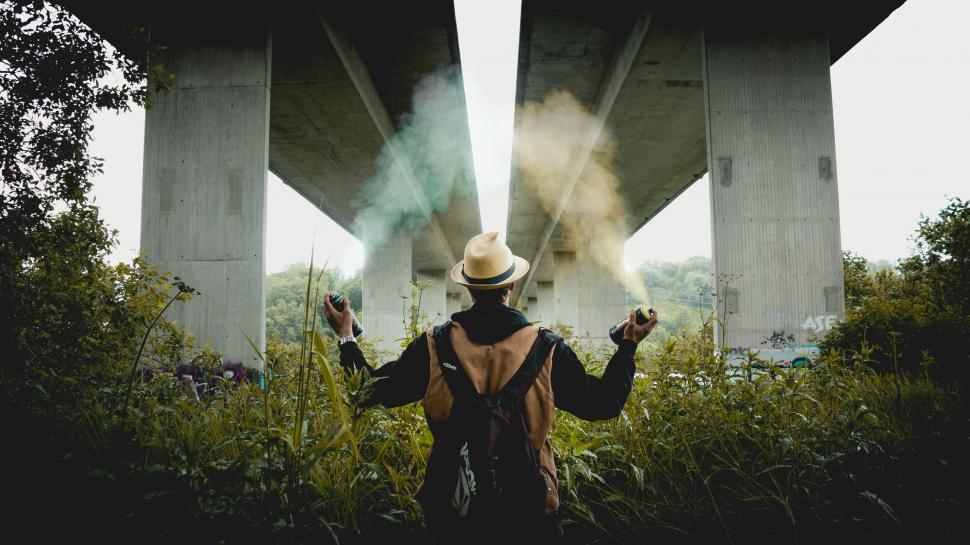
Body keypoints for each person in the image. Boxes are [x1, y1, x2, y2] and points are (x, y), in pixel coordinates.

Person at [322, 232, 658, 544]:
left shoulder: (434, 345)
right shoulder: (547, 348)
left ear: (468, 286)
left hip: (451, 506)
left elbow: (367, 390)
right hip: (527, 506)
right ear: (511, 283)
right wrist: (628, 345)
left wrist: (346, 335)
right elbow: (603, 404)